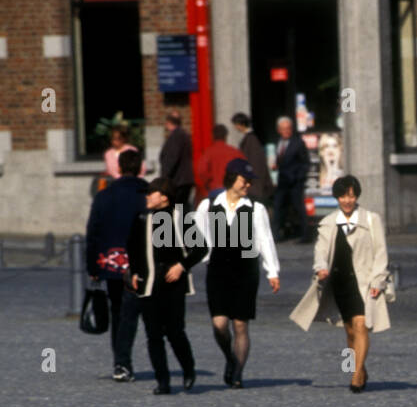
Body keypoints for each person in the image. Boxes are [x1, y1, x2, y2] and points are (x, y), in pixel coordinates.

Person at [290, 175, 390, 393]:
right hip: (339, 283)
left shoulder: (372, 220)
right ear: (337, 197)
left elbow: (381, 253)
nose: (347, 200)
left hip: (364, 283)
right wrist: (320, 268)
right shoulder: (328, 223)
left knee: (361, 326)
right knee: (348, 332)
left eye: (351, 195)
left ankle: (355, 377)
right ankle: (354, 368)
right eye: (343, 195)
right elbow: (321, 251)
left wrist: (378, 280)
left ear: (357, 196)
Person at [194, 158, 281, 388]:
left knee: (241, 324)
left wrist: (272, 271)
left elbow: (264, 239)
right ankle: (230, 358)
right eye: (245, 180)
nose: (248, 185)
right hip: (218, 269)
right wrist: (205, 258)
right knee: (219, 324)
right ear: (232, 178)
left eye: (250, 182)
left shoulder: (255, 208)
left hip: (245, 269)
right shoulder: (209, 204)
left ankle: (237, 374)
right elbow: (198, 235)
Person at [124, 178, 204, 394]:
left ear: (164, 196)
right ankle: (163, 381)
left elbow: (201, 248)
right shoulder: (142, 218)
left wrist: (182, 266)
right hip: (148, 283)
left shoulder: (180, 217)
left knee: (175, 332)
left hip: (173, 284)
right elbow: (133, 248)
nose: (147, 196)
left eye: (151, 193)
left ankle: (189, 369)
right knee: (153, 335)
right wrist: (134, 272)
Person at [85, 148, 148, 381]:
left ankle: (120, 362)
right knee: (132, 313)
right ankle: (123, 361)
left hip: (110, 262)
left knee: (118, 311)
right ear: (141, 167)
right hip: (139, 263)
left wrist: (93, 267)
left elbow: (93, 232)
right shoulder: (148, 194)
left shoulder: (105, 195)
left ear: (119, 168)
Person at [272, 116, 310, 242]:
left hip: (294, 182)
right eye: (283, 129)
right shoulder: (278, 142)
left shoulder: (298, 143)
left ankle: (305, 235)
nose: (286, 131)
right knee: (278, 207)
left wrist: (299, 178)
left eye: (288, 129)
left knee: (299, 208)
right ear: (278, 130)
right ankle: (276, 235)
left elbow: (305, 163)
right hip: (282, 181)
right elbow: (280, 159)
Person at [231, 112, 272, 203]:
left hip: (253, 185)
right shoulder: (250, 139)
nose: (235, 127)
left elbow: (255, 164)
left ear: (240, 124)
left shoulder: (251, 140)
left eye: (235, 124)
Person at [157, 111, 194, 209]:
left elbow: (172, 159)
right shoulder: (184, 135)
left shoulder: (176, 136)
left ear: (168, 122)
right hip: (184, 180)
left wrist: (163, 179)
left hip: (177, 181)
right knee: (183, 209)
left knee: (177, 210)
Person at [195, 124, 241, 197]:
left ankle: (178, 208)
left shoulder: (209, 153)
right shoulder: (234, 152)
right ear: (226, 136)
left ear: (212, 136)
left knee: (179, 203)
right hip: (232, 190)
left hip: (215, 189)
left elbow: (202, 171)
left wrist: (208, 183)